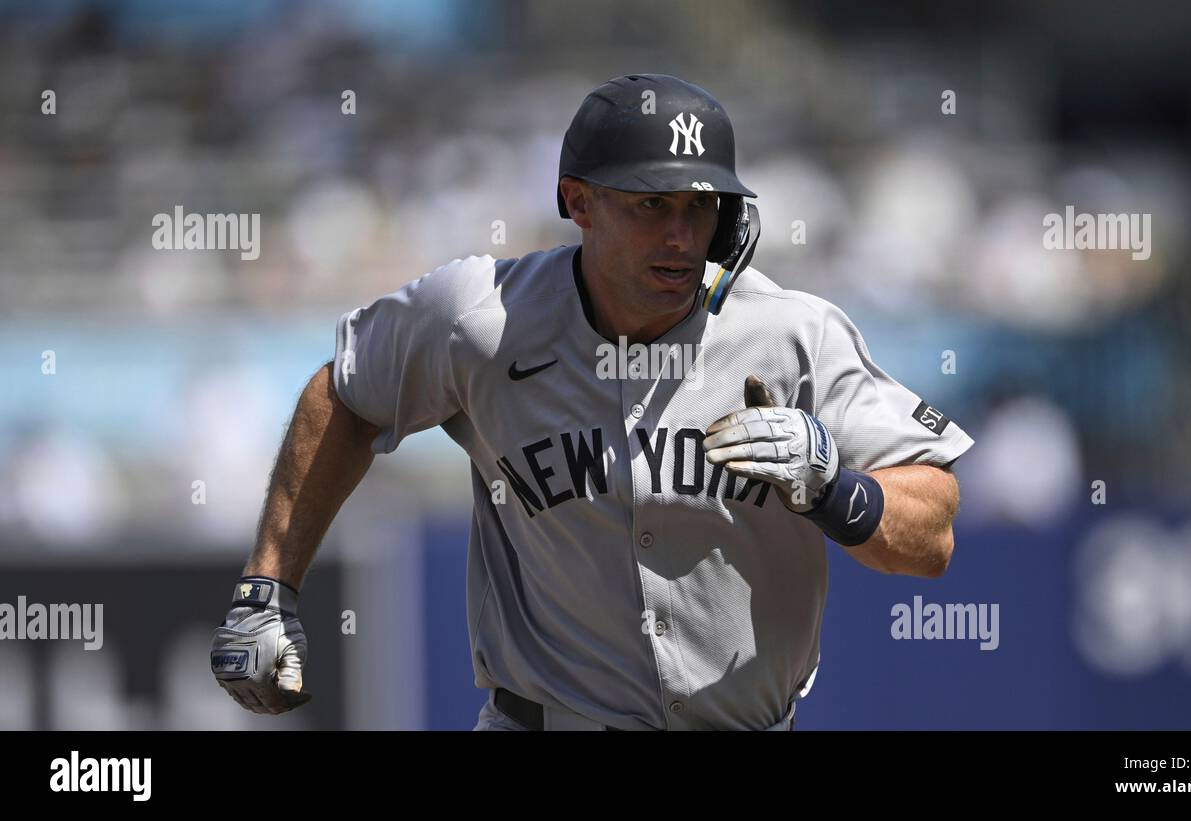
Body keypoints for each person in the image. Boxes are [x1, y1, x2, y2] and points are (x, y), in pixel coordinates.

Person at [210, 74, 974, 730]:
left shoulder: (793, 336)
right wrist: (266, 584)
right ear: (579, 201)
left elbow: (931, 529)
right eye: (651, 205)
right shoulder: (482, 317)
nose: (681, 235)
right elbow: (347, 395)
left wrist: (836, 488)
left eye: (701, 206)